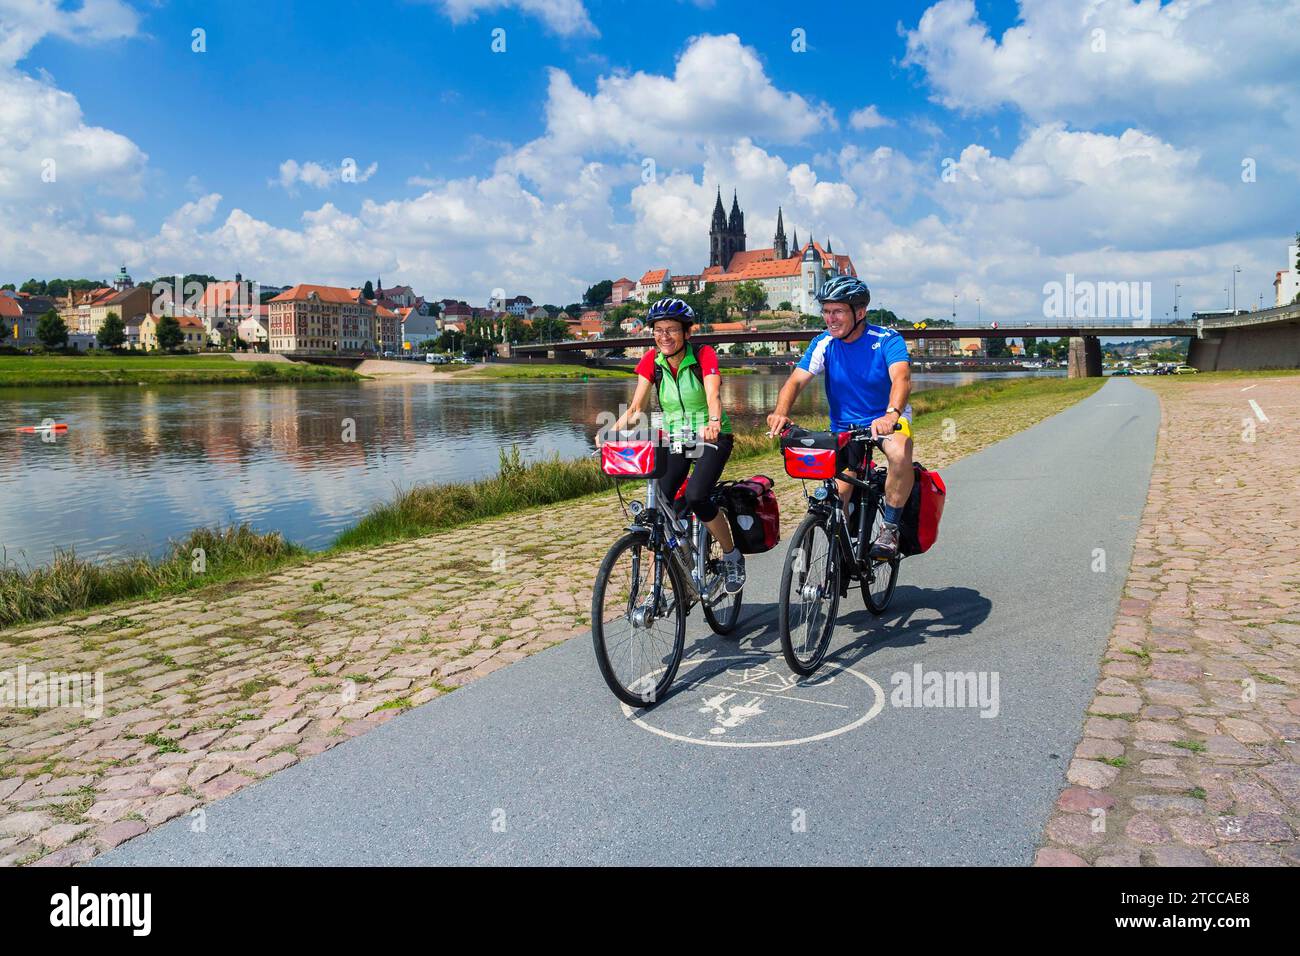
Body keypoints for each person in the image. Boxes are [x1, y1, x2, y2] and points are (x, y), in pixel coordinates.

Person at [598, 297, 745, 592]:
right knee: (659, 503)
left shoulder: (703, 355)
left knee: (696, 495)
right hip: (676, 437)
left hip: (711, 436)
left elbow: (713, 394)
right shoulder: (651, 361)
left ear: (687, 333)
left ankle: (731, 555)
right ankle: (680, 560)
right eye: (658, 329)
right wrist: (608, 434)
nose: (664, 336)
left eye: (672, 329)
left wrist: (714, 422)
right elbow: (637, 408)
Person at [765, 275, 915, 559]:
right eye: (826, 311)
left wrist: (890, 413)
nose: (829, 318)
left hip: (886, 419)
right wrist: (781, 412)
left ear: (859, 313)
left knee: (899, 451)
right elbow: (795, 382)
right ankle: (843, 554)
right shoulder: (823, 343)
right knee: (838, 495)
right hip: (844, 428)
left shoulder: (886, 340)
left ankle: (890, 528)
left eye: (837, 311)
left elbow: (901, 379)